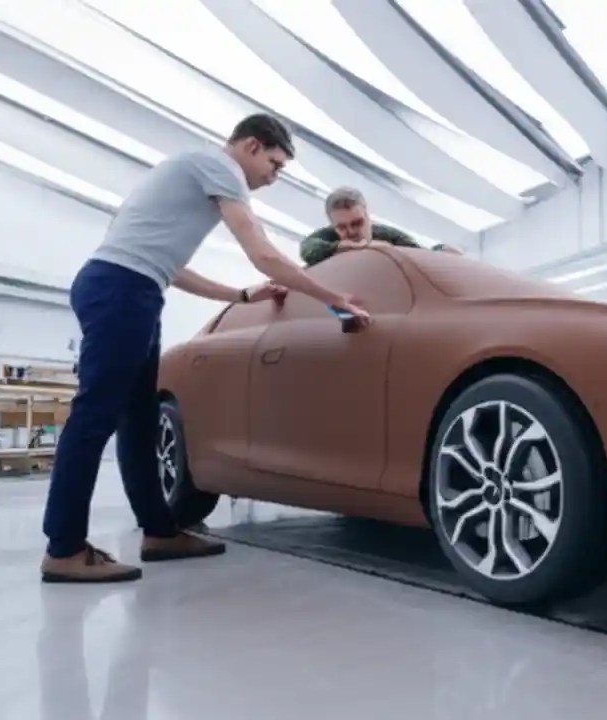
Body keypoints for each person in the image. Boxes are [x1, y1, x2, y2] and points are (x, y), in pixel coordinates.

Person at [40, 113, 371, 583]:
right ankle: (64, 547)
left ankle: (159, 531)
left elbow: (172, 268)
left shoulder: (190, 171)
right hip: (122, 290)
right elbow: (263, 253)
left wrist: (239, 296)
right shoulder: (220, 168)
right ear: (252, 146)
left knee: (138, 422)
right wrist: (334, 299)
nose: (272, 178)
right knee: (94, 416)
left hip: (133, 287)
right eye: (274, 165)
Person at [300, 186, 463, 266]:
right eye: (342, 227)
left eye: (357, 223)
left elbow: (417, 252)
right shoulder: (327, 238)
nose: (350, 232)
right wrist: (340, 247)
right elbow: (308, 248)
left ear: (368, 216)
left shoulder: (386, 235)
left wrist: (441, 251)